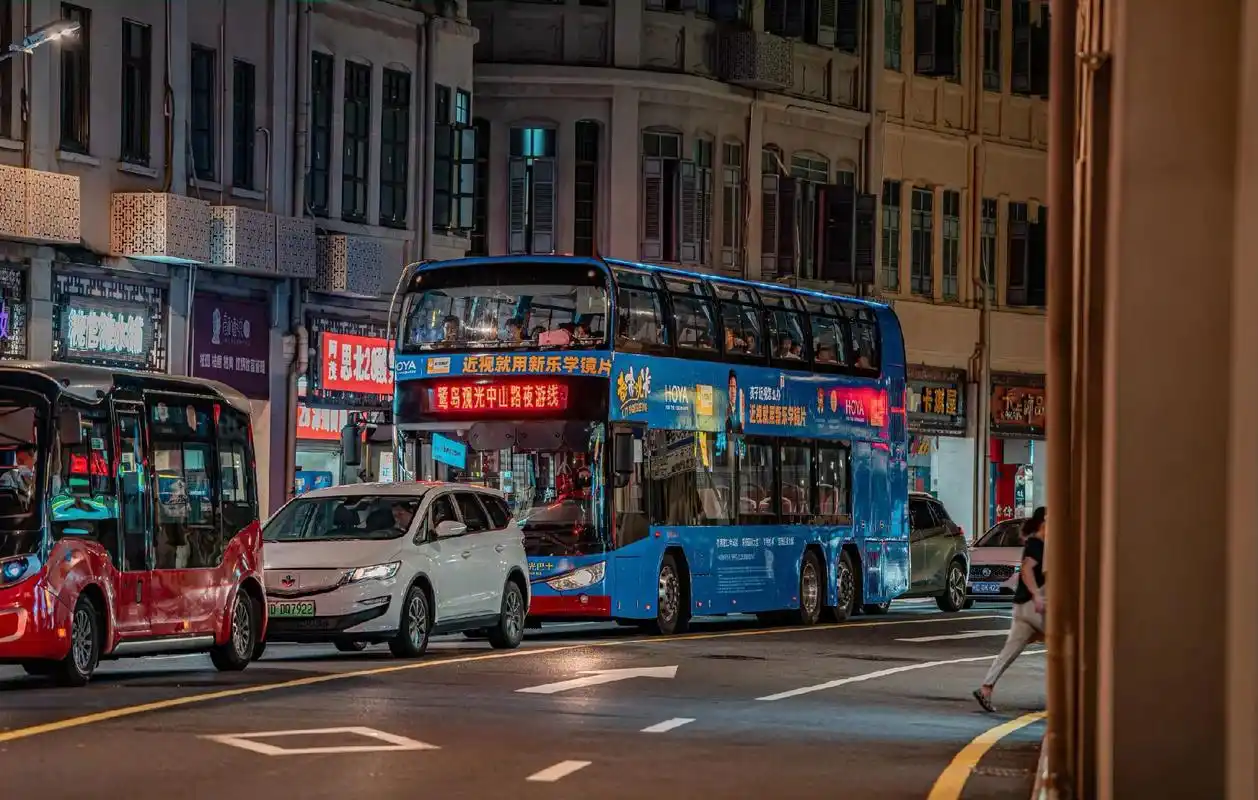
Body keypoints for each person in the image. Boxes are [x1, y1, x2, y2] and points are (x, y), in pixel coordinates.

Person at [974, 506, 1047, 712]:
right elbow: (1026, 570)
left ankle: (986, 688)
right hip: (1032, 607)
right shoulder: (1037, 544)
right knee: (1066, 641)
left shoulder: (1041, 544)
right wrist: (1037, 595)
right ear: (1044, 523)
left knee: (1010, 651)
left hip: (1022, 608)